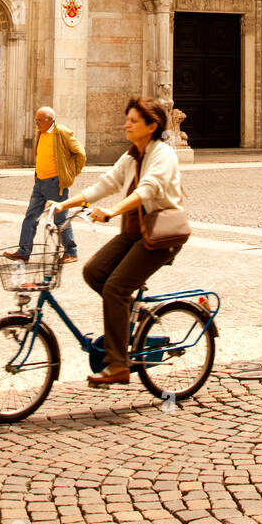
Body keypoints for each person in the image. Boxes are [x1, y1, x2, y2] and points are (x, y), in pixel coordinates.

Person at [58, 97, 187, 387]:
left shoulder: (163, 154)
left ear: (152, 126)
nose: (126, 124)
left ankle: (118, 365)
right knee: (94, 272)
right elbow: (106, 183)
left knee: (116, 287)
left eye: (133, 120)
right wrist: (64, 204)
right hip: (134, 232)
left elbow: (149, 188)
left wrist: (113, 211)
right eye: (127, 118)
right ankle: (135, 313)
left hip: (159, 236)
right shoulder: (132, 155)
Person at [3, 107, 85, 264]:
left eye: (39, 120)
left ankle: (71, 251)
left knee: (61, 219)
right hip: (40, 182)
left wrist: (71, 174)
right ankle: (23, 252)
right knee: (31, 217)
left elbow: (80, 153)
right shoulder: (41, 133)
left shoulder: (61, 132)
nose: (36, 123)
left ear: (50, 120)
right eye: (36, 120)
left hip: (56, 183)